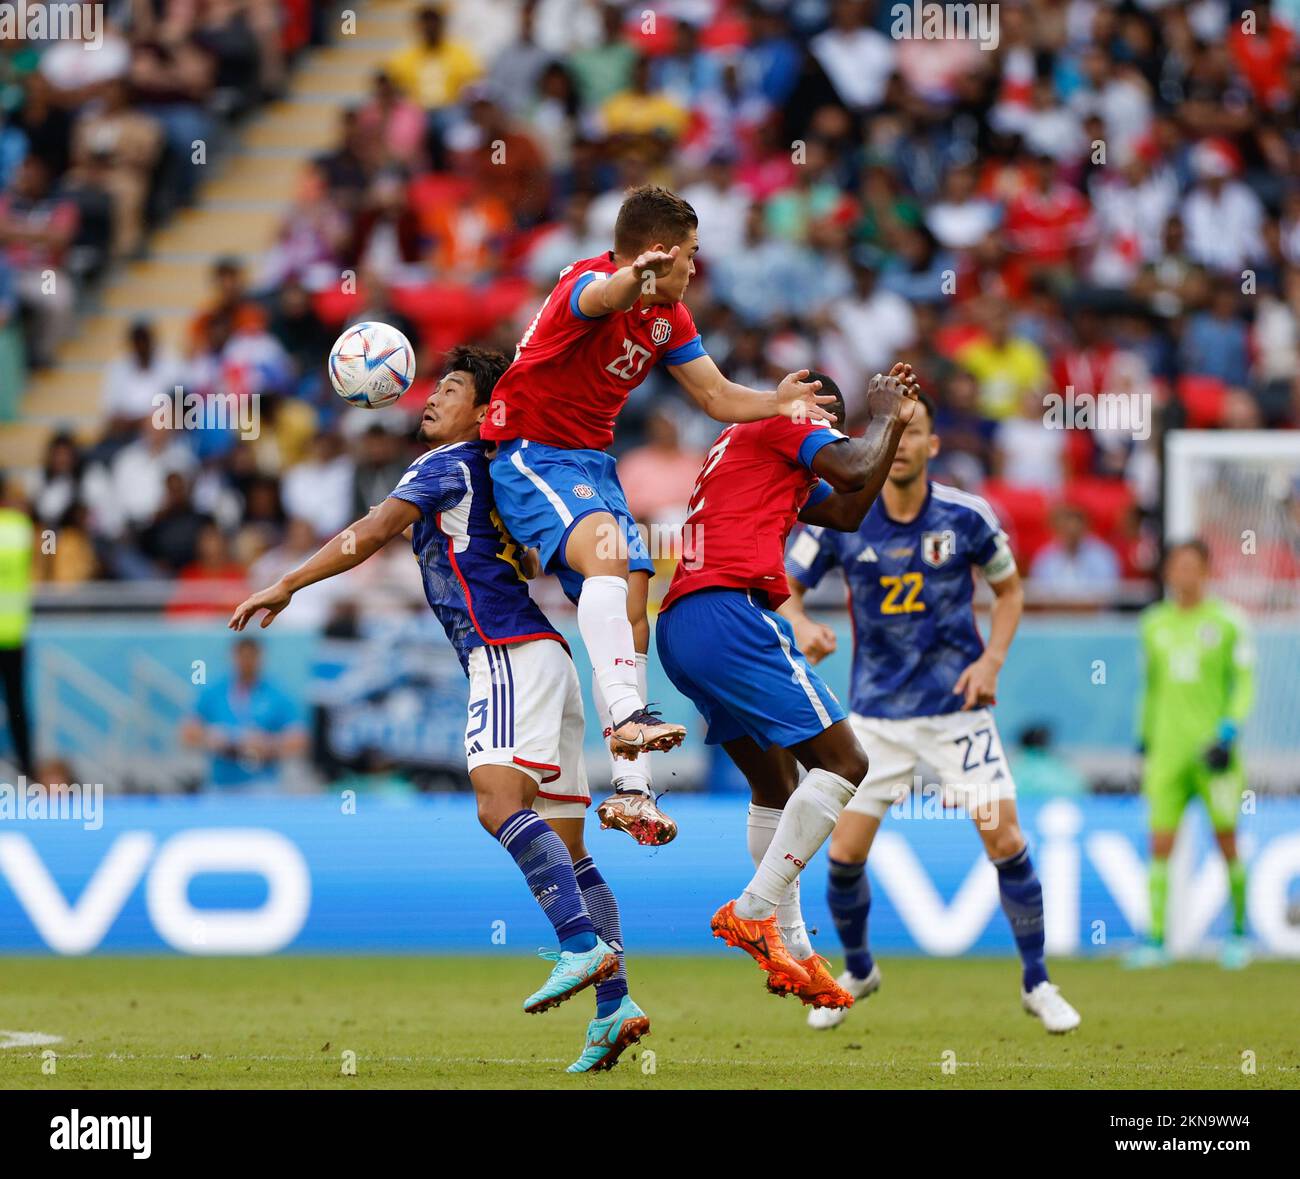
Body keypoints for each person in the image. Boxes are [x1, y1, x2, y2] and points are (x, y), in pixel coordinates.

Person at [229, 346, 647, 1073]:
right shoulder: (508, 472)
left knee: (495, 804)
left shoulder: (445, 464)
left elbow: (369, 532)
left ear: (486, 410)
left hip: (505, 652)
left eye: (450, 388)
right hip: (549, 657)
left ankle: (580, 945)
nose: (431, 398)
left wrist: (287, 582)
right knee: (570, 848)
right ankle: (617, 1008)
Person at [481, 183, 834, 845]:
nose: (695, 267)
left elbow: (717, 396)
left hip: (591, 462)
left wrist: (779, 402)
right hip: (532, 450)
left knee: (635, 591)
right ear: (658, 253)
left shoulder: (671, 317)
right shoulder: (585, 284)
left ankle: (633, 789)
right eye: (689, 254)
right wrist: (627, 280)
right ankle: (628, 716)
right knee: (610, 557)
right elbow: (603, 296)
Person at [782, 391, 1082, 1034]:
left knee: (1005, 839)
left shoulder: (967, 517)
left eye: (915, 434)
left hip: (957, 711)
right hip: (876, 719)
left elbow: (1009, 590)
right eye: (895, 434)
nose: (903, 446)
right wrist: (800, 621)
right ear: (880, 444)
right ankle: (859, 969)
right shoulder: (844, 515)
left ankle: (1038, 981)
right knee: (842, 857)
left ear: (932, 447)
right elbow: (783, 587)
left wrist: (992, 662)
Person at [655, 367, 916, 1008]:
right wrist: (884, 417)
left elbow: (850, 511)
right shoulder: (784, 416)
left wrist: (890, 431)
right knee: (847, 761)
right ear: (816, 409)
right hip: (730, 611)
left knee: (776, 785)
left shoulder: (750, 446)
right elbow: (854, 471)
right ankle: (754, 908)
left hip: (684, 625)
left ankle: (793, 950)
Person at [1129, 540, 1254, 970]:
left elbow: (1244, 685)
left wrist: (1228, 731)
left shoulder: (1227, 622)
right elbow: (1151, 686)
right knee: (1160, 845)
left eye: (1192, 566)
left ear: (1206, 571)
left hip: (1213, 752)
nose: (1184, 574)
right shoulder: (1153, 624)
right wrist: (1144, 736)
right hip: (1167, 753)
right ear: (1167, 573)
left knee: (1227, 841)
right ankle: (1156, 941)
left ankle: (1238, 935)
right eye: (1177, 566)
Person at [181, 636, 306, 792]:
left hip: (263, 785)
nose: (246, 663)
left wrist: (269, 745)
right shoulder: (214, 691)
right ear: (233, 657)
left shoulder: (277, 693)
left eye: (251, 657)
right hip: (220, 784)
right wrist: (211, 738)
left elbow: (298, 740)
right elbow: (188, 732)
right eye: (242, 657)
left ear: (260, 658)